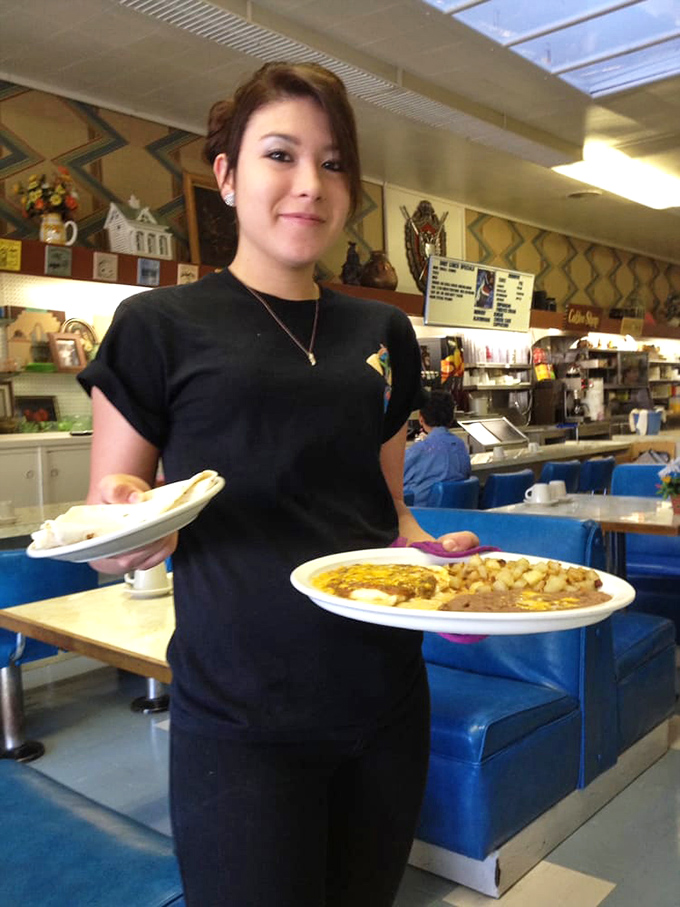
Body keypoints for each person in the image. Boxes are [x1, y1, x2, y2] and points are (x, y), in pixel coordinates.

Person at [78, 61, 477, 907]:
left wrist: (433, 558)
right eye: (280, 155)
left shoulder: (382, 329)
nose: (309, 185)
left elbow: (385, 503)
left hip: (385, 695)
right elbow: (112, 501)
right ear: (226, 176)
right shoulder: (158, 326)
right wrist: (127, 525)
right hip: (241, 710)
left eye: (333, 164)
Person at [404, 389, 471, 506]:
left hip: (420, 517)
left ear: (421, 418)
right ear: (451, 418)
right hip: (456, 516)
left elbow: (391, 479)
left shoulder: (419, 450)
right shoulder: (461, 446)